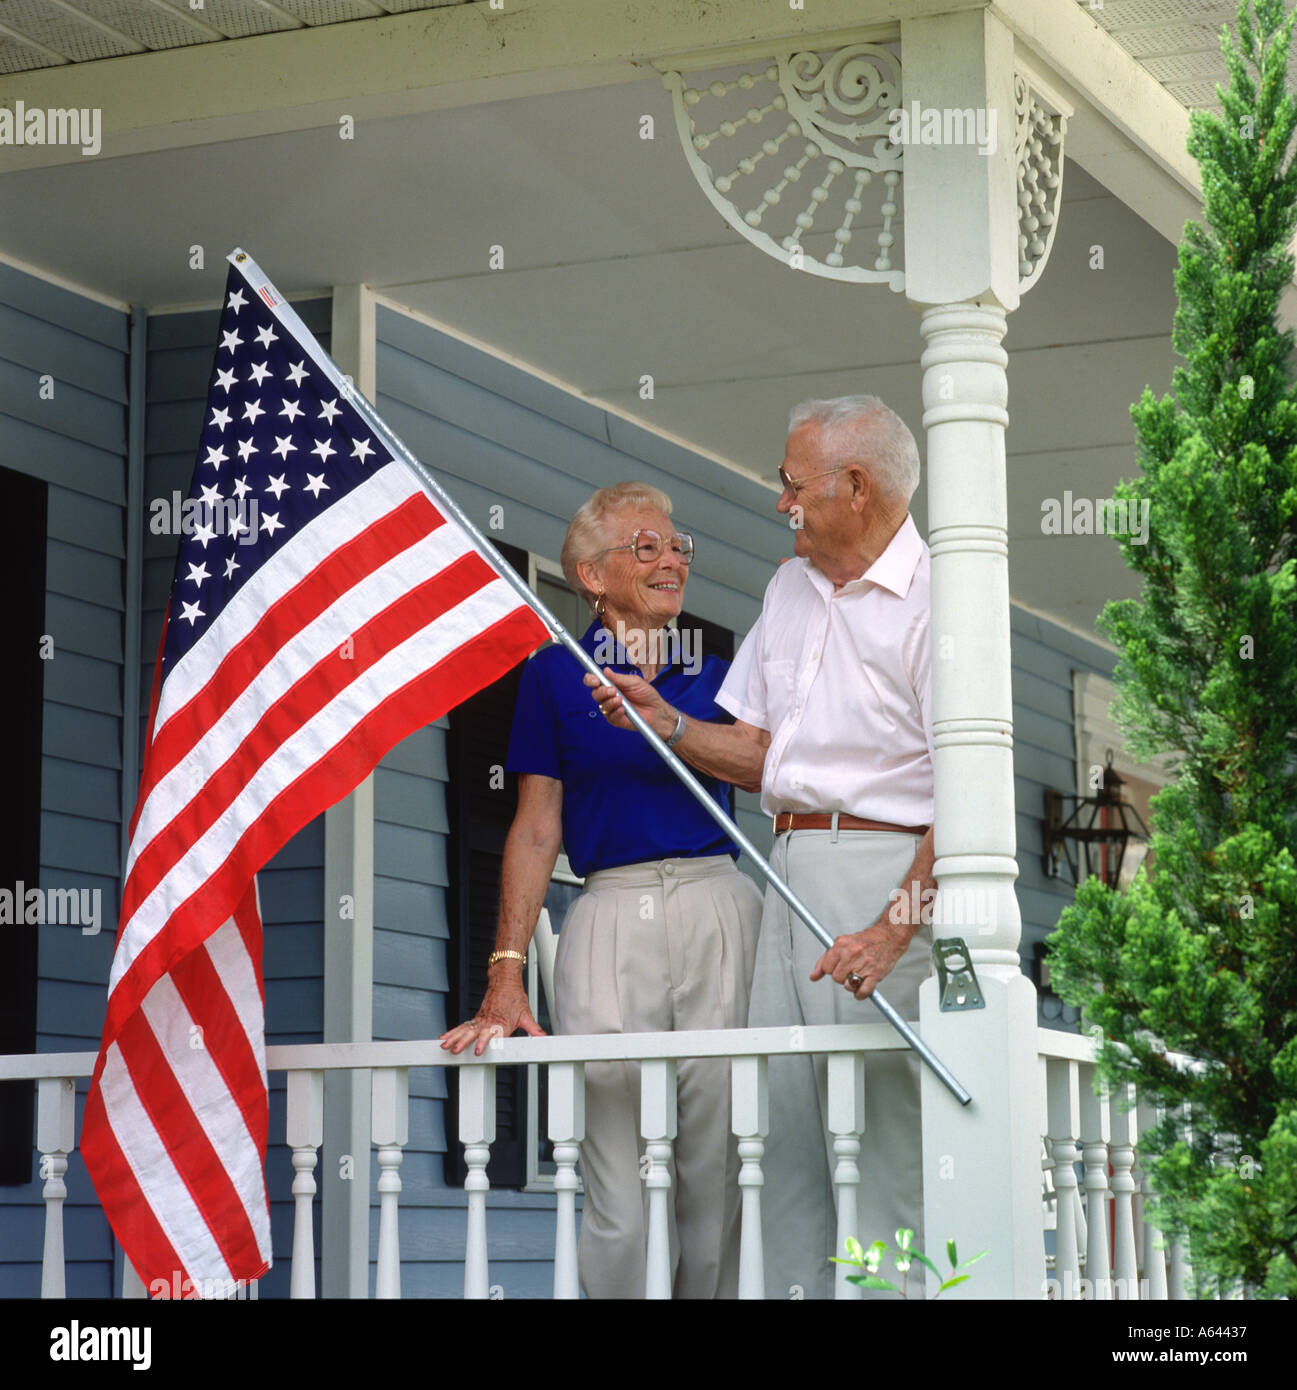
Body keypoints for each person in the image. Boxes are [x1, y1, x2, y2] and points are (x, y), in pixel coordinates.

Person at [588, 396, 934, 1299]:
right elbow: (753, 752)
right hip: (783, 870)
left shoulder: (939, 600)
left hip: (884, 875)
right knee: (781, 1134)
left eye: (791, 484)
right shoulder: (788, 589)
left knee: (881, 1140)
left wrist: (894, 930)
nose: (779, 503)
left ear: (853, 487)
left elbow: (964, 797)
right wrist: (665, 721)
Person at [440, 481, 763, 1299]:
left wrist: (672, 725)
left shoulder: (715, 673)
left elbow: (763, 767)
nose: (669, 561)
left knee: (714, 1162)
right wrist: (505, 970)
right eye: (644, 547)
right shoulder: (554, 674)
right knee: (615, 1177)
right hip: (608, 907)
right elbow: (535, 826)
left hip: (715, 895)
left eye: (677, 546)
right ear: (589, 575)